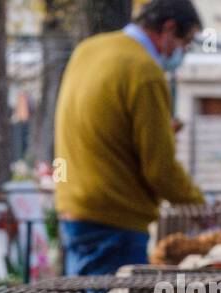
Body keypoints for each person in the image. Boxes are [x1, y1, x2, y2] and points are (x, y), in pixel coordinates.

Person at [54, 0, 205, 276]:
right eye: (187, 41)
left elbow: (96, 124)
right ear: (169, 29)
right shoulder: (145, 72)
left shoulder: (88, 50)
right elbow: (160, 169)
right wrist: (199, 206)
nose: (183, 51)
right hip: (115, 217)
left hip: (72, 207)